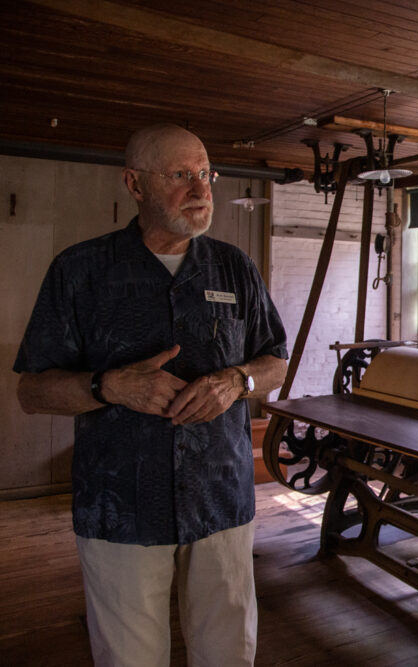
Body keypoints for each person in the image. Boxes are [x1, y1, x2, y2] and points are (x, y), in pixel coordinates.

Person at [13, 123, 289, 667]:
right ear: (134, 184)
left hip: (221, 496)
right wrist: (108, 385)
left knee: (229, 651)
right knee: (129, 656)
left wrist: (237, 381)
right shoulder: (80, 271)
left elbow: (275, 360)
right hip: (121, 505)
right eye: (180, 175)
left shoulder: (235, 268)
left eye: (205, 174)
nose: (201, 189)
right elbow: (32, 390)